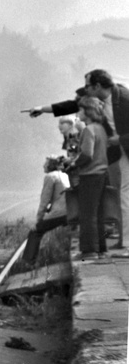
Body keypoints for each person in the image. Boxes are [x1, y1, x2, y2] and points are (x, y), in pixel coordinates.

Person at [27, 71, 126, 250]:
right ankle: (117, 243)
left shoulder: (122, 99)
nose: (85, 90)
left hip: (118, 153)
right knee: (116, 200)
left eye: (88, 86)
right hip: (114, 157)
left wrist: (120, 140)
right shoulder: (97, 111)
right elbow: (70, 105)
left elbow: (86, 153)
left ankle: (107, 246)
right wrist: (42, 109)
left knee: (111, 203)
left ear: (97, 87)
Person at [73, 96, 110, 258]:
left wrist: (74, 163)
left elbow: (87, 154)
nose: (78, 113)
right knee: (98, 213)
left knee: (87, 214)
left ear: (88, 112)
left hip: (90, 175)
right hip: (102, 174)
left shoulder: (88, 130)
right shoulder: (100, 128)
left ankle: (89, 251)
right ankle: (101, 248)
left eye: (80, 109)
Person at [23, 155, 72, 264]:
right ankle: (30, 260)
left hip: (60, 213)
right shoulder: (64, 175)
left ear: (50, 165)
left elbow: (44, 201)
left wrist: (38, 220)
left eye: (45, 163)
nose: (43, 166)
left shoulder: (50, 177)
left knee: (35, 231)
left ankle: (29, 262)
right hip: (69, 211)